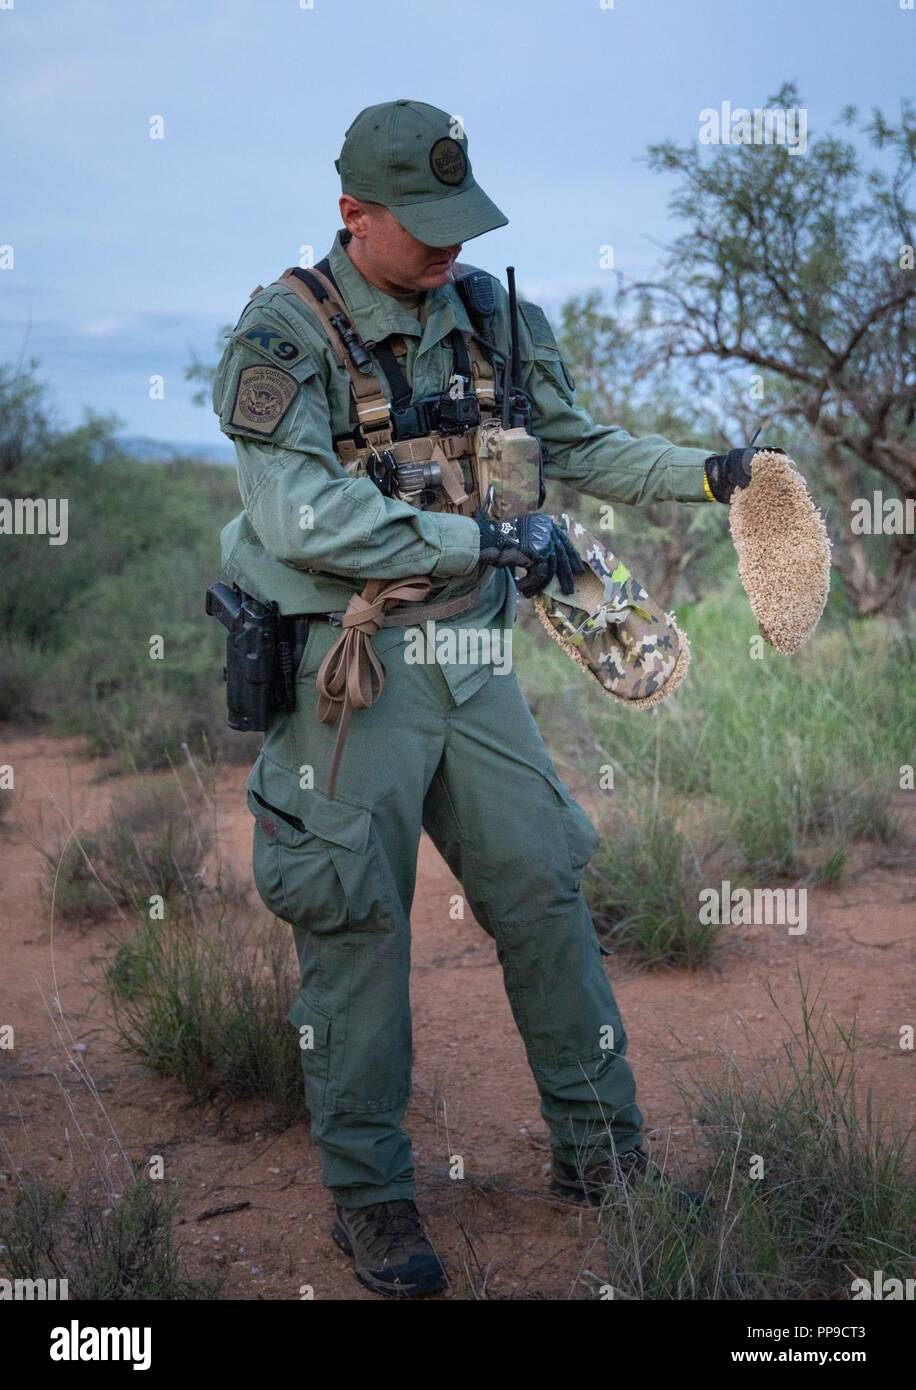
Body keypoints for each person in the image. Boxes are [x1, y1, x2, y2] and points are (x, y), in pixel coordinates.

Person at [212, 99, 762, 1298]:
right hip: (348, 674)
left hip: (474, 664)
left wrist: (710, 474)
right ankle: (372, 1198)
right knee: (355, 924)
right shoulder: (280, 339)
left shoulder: (496, 315)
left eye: (463, 220)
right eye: (423, 226)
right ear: (354, 211)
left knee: (544, 890)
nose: (449, 246)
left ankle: (602, 1159)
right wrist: (486, 539)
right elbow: (300, 515)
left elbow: (578, 444)